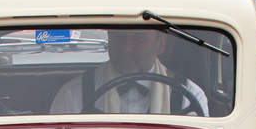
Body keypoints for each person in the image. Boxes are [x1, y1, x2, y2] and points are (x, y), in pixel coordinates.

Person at [51, 29, 207, 115]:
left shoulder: (189, 95)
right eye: (120, 38)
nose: (127, 48)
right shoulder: (73, 94)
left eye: (139, 39)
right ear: (109, 39)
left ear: (160, 44)